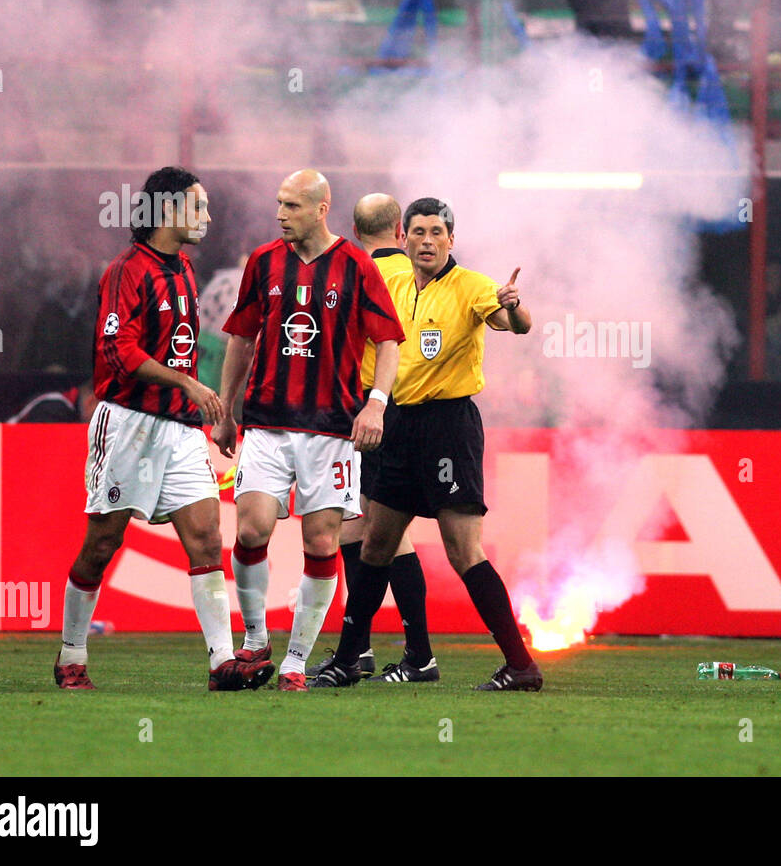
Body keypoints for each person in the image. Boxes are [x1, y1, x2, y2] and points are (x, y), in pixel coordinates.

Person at [55, 165, 274, 692]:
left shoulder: (185, 269)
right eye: (199, 207)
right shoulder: (128, 270)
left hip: (177, 429)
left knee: (205, 537)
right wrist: (189, 384)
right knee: (103, 541)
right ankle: (70, 655)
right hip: (129, 422)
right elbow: (119, 350)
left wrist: (196, 396)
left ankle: (223, 662)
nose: (208, 216)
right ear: (168, 211)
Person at [310, 197, 543, 691]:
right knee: (375, 544)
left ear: (451, 240)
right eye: (417, 232)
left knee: (463, 550)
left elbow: (515, 326)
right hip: (397, 427)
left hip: (447, 429)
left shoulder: (473, 287)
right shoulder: (390, 282)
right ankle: (352, 657)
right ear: (404, 238)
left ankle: (521, 664)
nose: (427, 241)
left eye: (437, 232)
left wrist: (515, 307)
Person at [213, 169, 405, 692]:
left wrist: (376, 405)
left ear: (322, 209)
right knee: (251, 530)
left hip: (331, 431)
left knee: (320, 543)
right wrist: (226, 408)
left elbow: (389, 340)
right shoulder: (263, 261)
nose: (281, 214)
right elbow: (241, 338)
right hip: (268, 424)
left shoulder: (356, 266)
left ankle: (296, 662)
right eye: (278, 204)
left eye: (292, 206)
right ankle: (255, 642)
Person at [304, 192, 428, 681]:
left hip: (358, 406)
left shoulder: (348, 269)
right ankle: (362, 650)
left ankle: (416, 653)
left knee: (380, 532)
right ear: (401, 231)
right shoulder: (419, 275)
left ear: (353, 231)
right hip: (400, 406)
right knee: (361, 528)